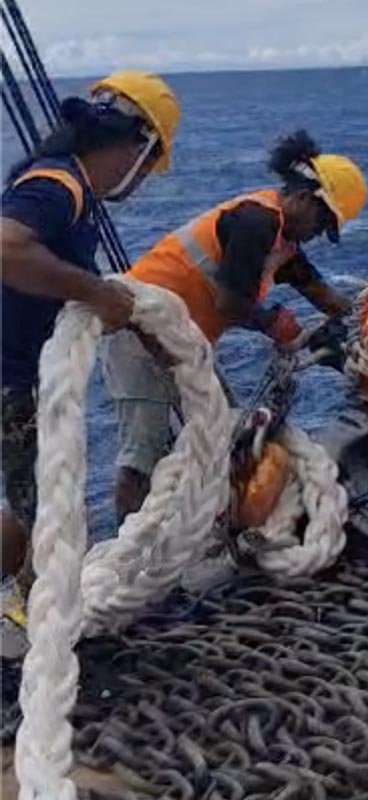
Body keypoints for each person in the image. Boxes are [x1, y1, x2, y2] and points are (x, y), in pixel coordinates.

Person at [0, 71, 181, 649]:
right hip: (8, 380)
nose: (144, 181)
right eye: (151, 167)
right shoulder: (59, 187)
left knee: (42, 511)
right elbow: (5, 247)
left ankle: (30, 614)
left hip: (20, 378)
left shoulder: (59, 183)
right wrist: (96, 292)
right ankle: (35, 622)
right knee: (49, 517)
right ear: (138, 148)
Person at [102, 130, 363, 520]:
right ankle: (129, 562)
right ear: (304, 198)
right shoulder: (255, 222)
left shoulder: (283, 243)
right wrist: (273, 322)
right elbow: (230, 302)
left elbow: (326, 297)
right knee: (141, 457)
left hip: (180, 342)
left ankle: (217, 525)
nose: (318, 234)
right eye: (322, 221)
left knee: (225, 430)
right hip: (138, 336)